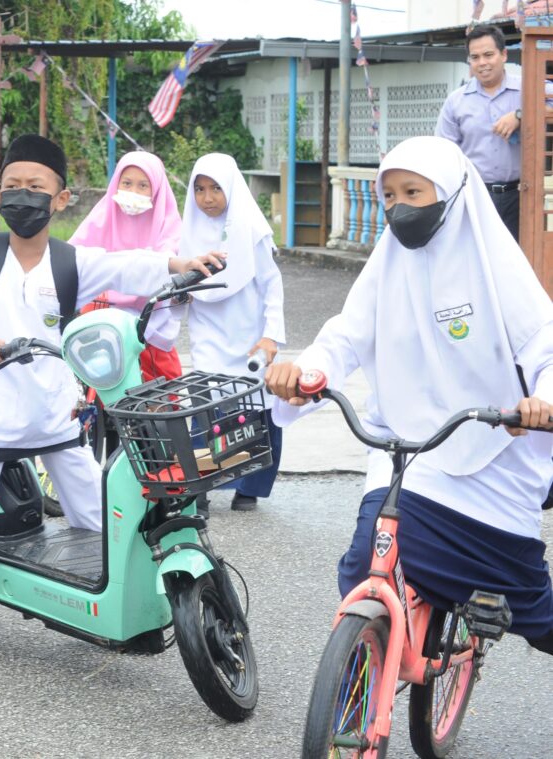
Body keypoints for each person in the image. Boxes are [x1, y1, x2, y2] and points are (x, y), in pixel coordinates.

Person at [0, 134, 223, 658]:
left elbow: (128, 265)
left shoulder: (70, 261)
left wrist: (180, 265)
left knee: (103, 510)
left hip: (53, 417)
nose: (23, 196)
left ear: (61, 199)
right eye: (13, 186)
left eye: (36, 187)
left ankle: (123, 606)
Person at [267, 135, 553, 655]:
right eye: (390, 196)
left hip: (489, 455)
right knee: (362, 567)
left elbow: (546, 349)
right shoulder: (387, 262)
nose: (399, 208)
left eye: (413, 192)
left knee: (538, 618)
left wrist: (542, 401)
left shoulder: (496, 268)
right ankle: (368, 677)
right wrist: (306, 373)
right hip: (405, 448)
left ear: (449, 193)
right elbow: (344, 335)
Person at [179, 153, 285, 512]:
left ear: (232, 189)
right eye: (200, 189)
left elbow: (272, 284)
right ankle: (202, 487)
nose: (207, 198)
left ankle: (250, 487)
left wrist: (271, 335)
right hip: (208, 333)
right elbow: (179, 286)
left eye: (215, 189)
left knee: (257, 410)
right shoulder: (188, 233)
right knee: (206, 409)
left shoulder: (252, 230)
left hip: (250, 335)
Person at [69, 150, 185, 382]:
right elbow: (71, 258)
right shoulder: (101, 218)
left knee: (160, 389)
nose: (134, 192)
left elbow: (171, 267)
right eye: (127, 183)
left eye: (143, 186)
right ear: (115, 185)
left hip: (151, 321)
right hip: (102, 320)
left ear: (157, 190)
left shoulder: (169, 226)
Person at [435, 24, 553, 241]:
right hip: (475, 196)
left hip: (522, 196)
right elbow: (443, 153)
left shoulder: (530, 87)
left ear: (504, 54)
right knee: (478, 262)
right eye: (475, 57)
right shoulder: (456, 101)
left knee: (519, 263)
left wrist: (520, 114)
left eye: (488, 55)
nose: (482, 63)